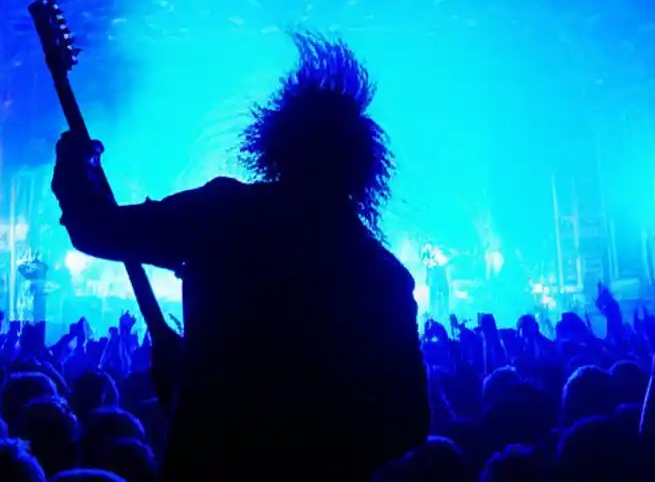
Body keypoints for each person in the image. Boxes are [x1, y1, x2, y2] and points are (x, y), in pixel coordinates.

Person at [52, 34, 430, 480]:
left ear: (278, 145)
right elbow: (408, 422)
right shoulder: (380, 276)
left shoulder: (221, 215)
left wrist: (76, 168)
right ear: (362, 165)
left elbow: (99, 230)